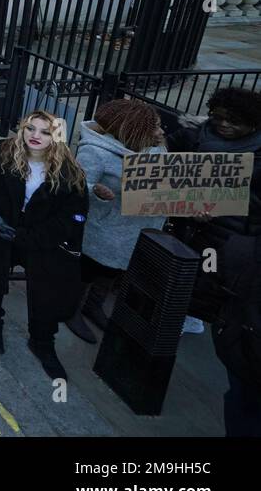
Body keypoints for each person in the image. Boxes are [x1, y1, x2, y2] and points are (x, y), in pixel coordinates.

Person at [166, 87, 261, 437]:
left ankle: (203, 320)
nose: (223, 126)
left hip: (233, 239)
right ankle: (181, 318)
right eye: (218, 117)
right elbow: (163, 169)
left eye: (234, 122)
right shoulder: (193, 134)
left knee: (214, 283)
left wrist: (224, 203)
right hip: (191, 227)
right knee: (188, 276)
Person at [0, 110, 88, 380]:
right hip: (2, 229)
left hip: (40, 238)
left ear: (56, 137)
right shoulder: (0, 152)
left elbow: (71, 216)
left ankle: (42, 340)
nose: (36, 136)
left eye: (45, 132)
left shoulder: (70, 173)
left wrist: (29, 237)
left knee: (49, 284)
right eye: (30, 128)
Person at [66, 99, 166, 344]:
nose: (161, 132)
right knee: (88, 271)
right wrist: (95, 191)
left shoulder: (156, 151)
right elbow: (75, 187)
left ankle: (94, 306)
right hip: (102, 229)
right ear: (132, 129)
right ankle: (71, 311)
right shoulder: (95, 151)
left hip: (133, 228)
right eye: (154, 128)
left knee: (111, 272)